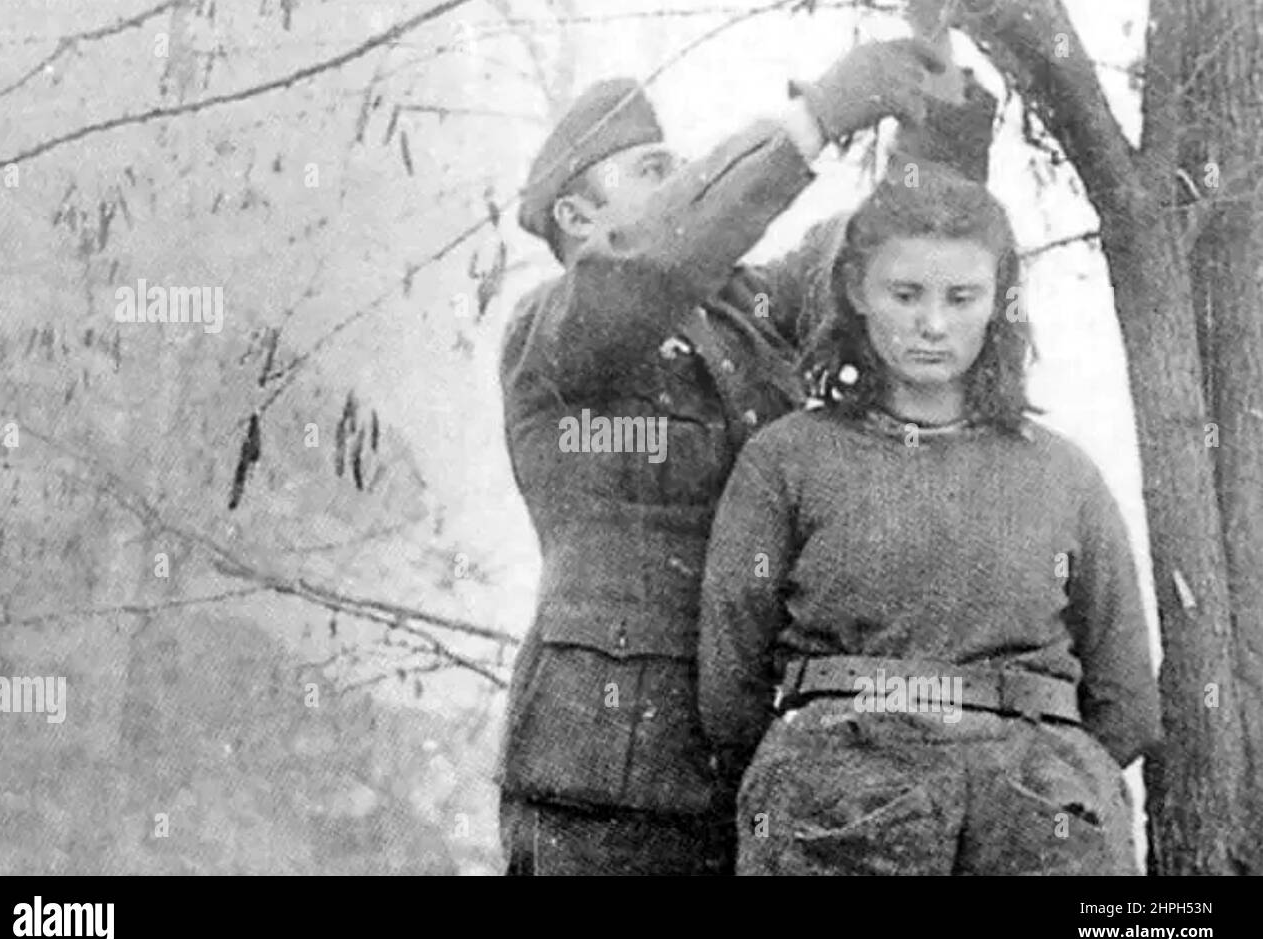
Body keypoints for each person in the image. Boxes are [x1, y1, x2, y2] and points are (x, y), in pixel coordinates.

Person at [496, 39, 955, 875]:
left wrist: (935, 139)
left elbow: (881, 254)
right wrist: (811, 123)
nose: (682, 185)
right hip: (598, 778)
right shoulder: (555, 329)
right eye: (651, 170)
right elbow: (655, 262)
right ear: (575, 217)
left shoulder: (746, 310)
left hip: (743, 764)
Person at [698, 154, 1164, 876]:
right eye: (906, 293)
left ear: (999, 298)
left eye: (962, 296)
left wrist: (1031, 785)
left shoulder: (1062, 473)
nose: (933, 325)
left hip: (1039, 822)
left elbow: (1127, 699)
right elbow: (729, 694)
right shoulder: (786, 459)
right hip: (837, 813)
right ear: (856, 289)